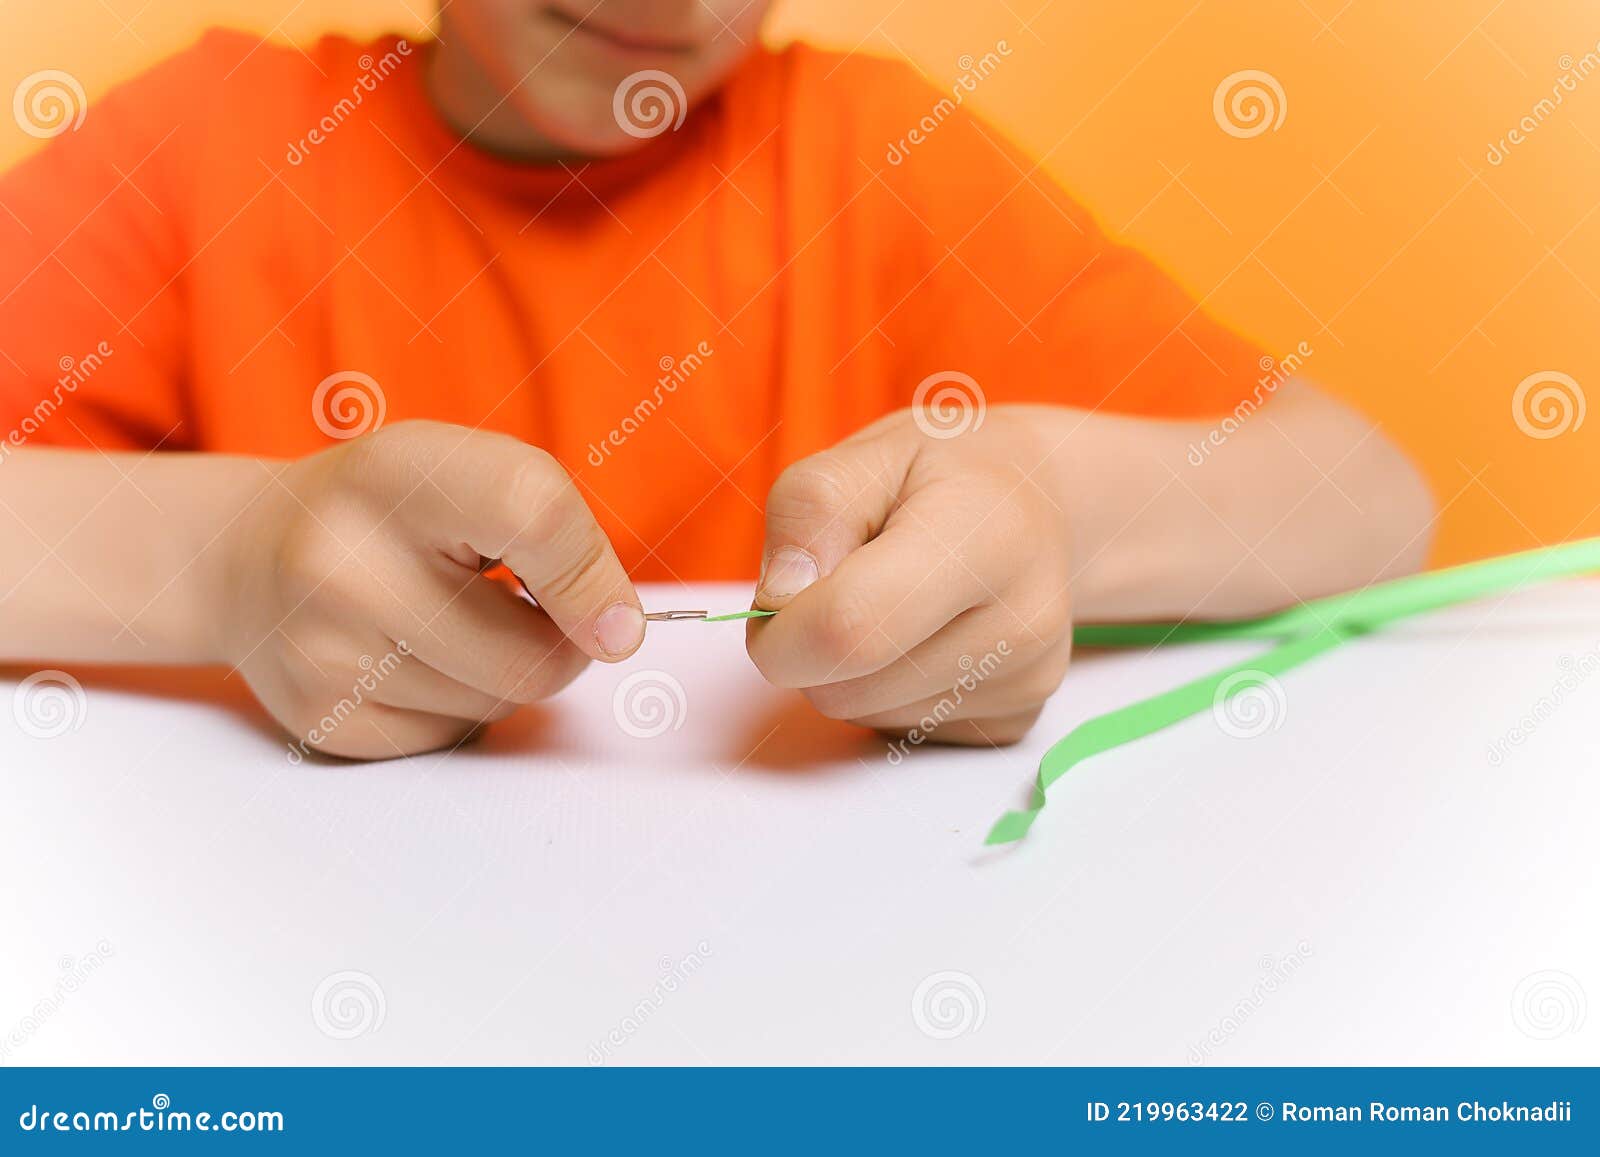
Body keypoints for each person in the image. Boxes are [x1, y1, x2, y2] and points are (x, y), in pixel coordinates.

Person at [0, 1, 1433, 759]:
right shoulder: (209, 145)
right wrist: (229, 560)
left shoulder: (877, 156)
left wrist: (1055, 505)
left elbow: (1374, 498)